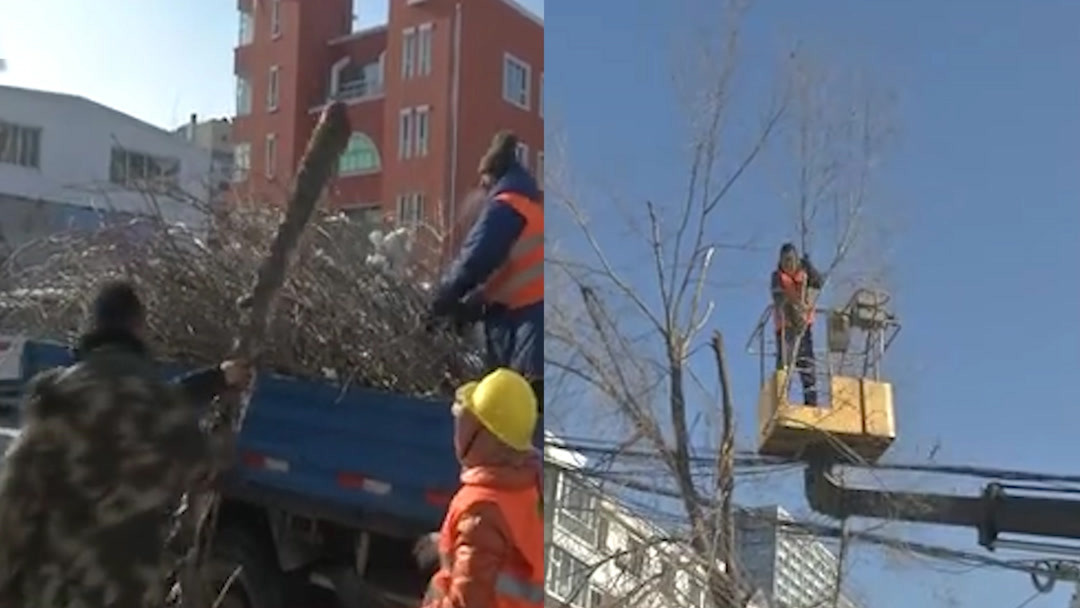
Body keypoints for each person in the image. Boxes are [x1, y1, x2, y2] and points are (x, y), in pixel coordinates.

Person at [0, 280, 252, 608]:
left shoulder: (55, 400)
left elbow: (12, 510)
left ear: (94, 326)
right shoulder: (159, 406)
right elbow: (209, 462)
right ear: (138, 328)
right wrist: (222, 391)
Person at [430, 130, 543, 444]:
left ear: (492, 176)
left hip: (526, 331)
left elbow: (474, 260)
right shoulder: (529, 206)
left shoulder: (507, 205)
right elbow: (509, 271)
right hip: (525, 323)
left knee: (512, 425)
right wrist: (476, 302)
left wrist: (440, 301)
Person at [416, 368, 543, 608]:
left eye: (468, 421)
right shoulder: (527, 488)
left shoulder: (481, 510)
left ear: (487, 438)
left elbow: (467, 601)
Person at [771, 243, 824, 406]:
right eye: (785, 261)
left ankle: (811, 400)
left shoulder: (804, 272)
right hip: (785, 326)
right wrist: (794, 316)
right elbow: (779, 298)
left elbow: (818, 283)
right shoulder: (777, 277)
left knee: (806, 362)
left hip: (804, 326)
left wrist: (810, 267)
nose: (788, 264)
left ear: (796, 259)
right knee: (784, 363)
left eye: (791, 260)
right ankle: (781, 399)